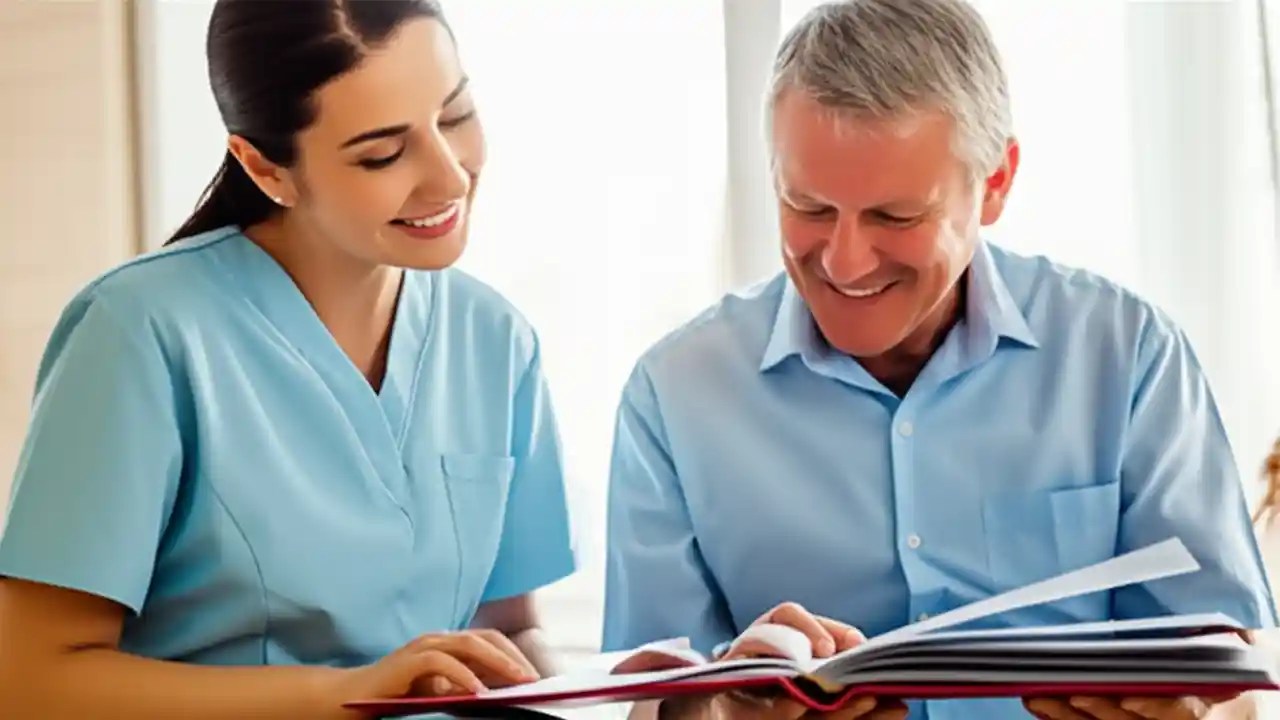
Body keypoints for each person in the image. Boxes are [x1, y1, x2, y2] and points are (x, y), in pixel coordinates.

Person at [602, 2, 1278, 720]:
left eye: (896, 217)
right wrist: (719, 714)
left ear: (995, 184)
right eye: (808, 206)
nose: (844, 260)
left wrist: (1190, 714)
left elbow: (1228, 680)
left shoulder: (1129, 356)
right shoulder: (673, 395)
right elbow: (647, 699)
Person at [0, 1, 578, 717]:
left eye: (455, 115)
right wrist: (343, 695)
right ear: (266, 167)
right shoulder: (138, 332)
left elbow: (509, 634)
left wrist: (639, 696)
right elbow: (32, 682)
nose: (450, 178)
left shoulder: (496, 339)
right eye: (383, 154)